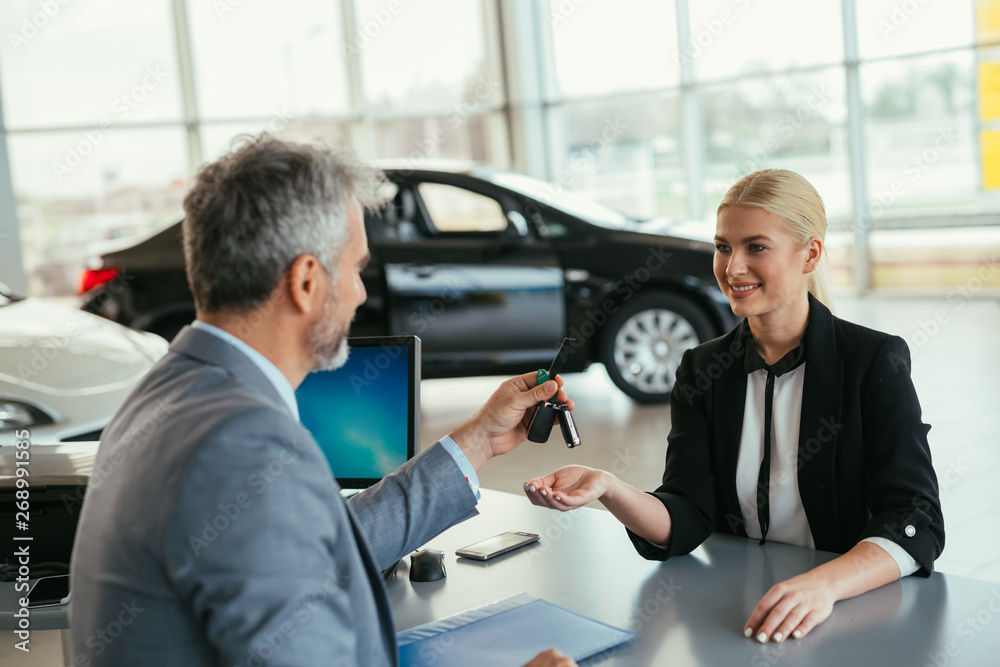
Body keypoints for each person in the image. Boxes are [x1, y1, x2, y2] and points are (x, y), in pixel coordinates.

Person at [69, 135, 576, 667]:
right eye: (355, 267)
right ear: (307, 281)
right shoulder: (245, 447)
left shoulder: (168, 390)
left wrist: (479, 440)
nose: (360, 292)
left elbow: (319, 549)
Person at [523, 169, 944, 644]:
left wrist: (823, 584)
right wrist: (610, 488)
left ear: (810, 254)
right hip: (742, 615)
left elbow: (915, 519)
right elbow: (687, 513)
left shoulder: (872, 360)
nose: (733, 267)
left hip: (851, 613)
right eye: (723, 247)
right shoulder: (702, 369)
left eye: (756, 247)